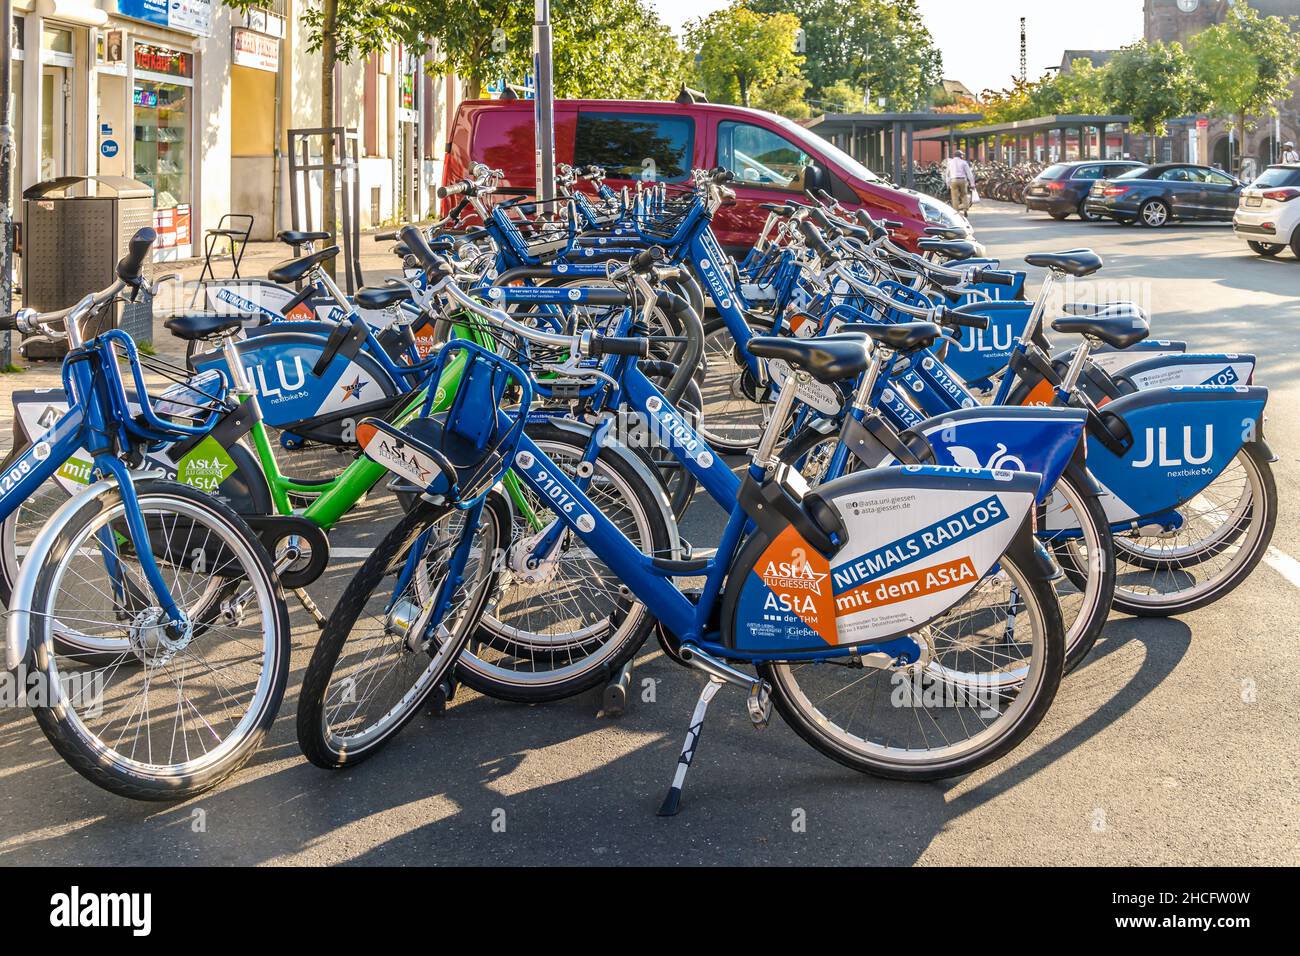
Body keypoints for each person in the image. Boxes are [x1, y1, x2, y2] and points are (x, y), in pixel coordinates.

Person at [944, 149, 976, 214]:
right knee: (964, 195)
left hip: (953, 180)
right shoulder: (964, 162)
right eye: (962, 155)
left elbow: (947, 174)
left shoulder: (950, 162)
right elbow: (969, 174)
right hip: (962, 180)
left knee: (954, 197)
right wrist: (972, 184)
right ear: (960, 156)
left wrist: (948, 184)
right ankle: (965, 209)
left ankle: (956, 211)